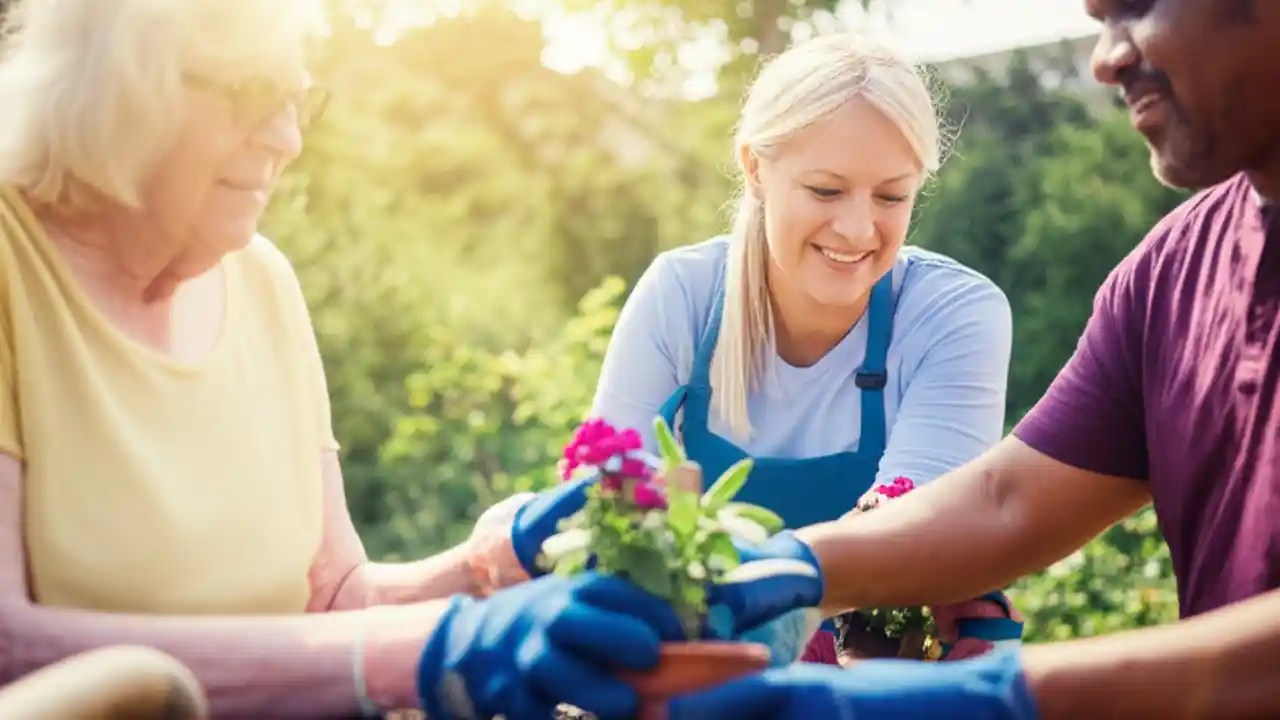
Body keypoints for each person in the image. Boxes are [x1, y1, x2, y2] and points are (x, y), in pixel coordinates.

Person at [0, 1, 652, 717]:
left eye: (294, 100)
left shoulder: (261, 280)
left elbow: (335, 595)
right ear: (117, 85)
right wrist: (425, 651)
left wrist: (501, 564)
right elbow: (9, 646)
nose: (285, 138)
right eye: (250, 95)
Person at [664, 0, 1280, 717]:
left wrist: (992, 697)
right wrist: (776, 571)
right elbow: (1006, 503)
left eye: (1137, 8)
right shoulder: (1174, 276)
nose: (1106, 59)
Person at [588, 32, 1022, 663]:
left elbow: (925, 531)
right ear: (756, 168)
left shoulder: (953, 315)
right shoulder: (681, 296)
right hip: (697, 663)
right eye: (825, 190)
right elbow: (605, 507)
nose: (856, 228)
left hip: (880, 667)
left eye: (891, 196)